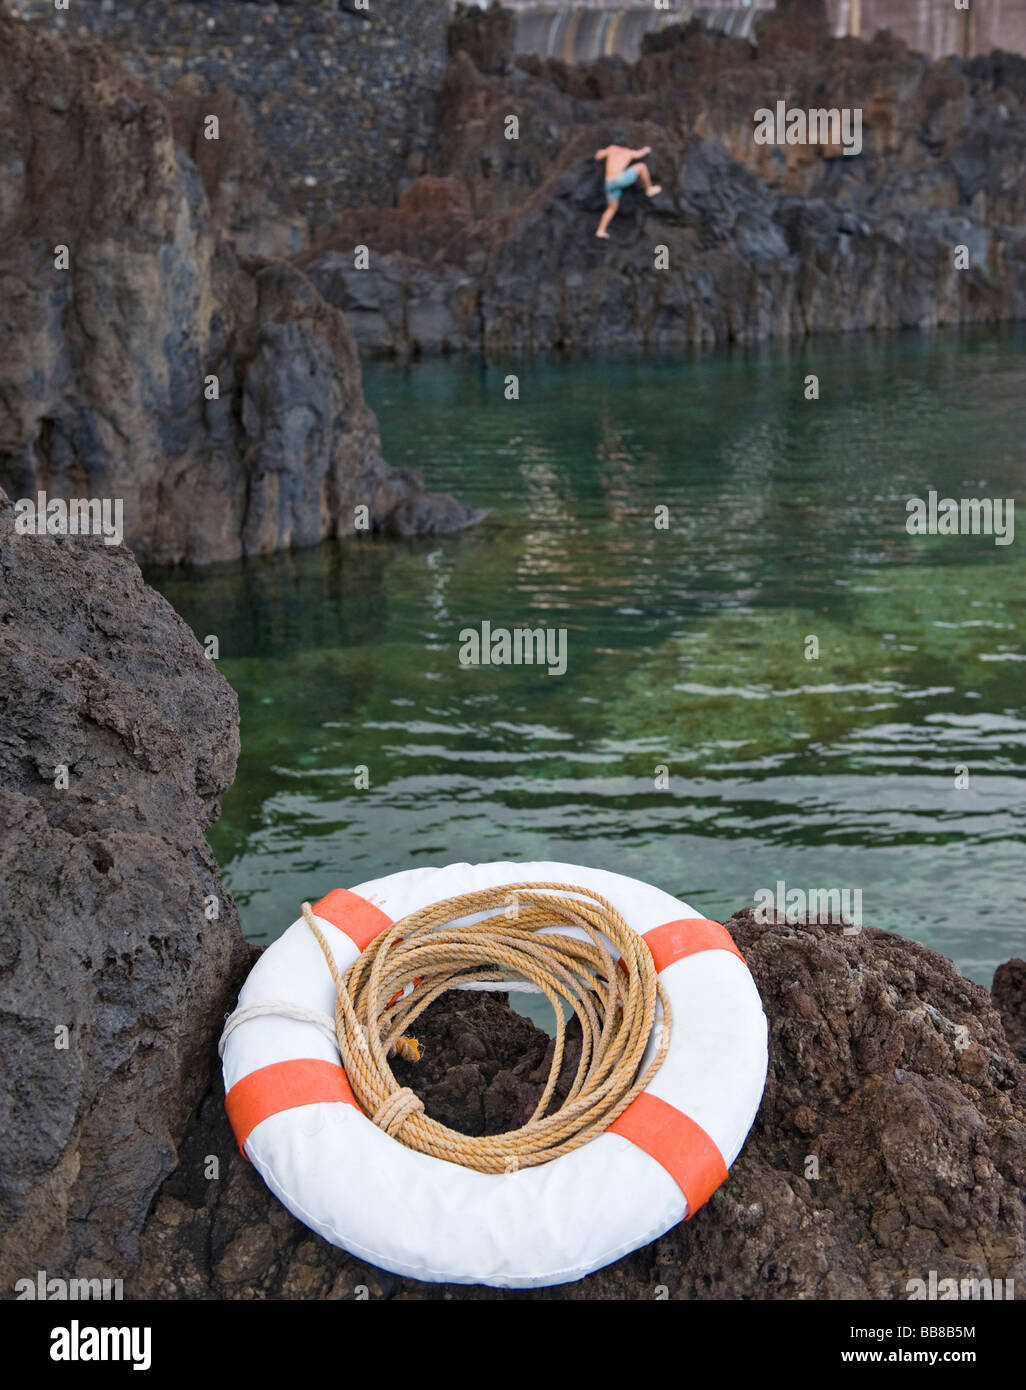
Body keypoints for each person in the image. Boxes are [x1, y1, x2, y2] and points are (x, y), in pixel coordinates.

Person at [594, 144, 662, 238]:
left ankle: (600, 230)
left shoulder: (612, 149)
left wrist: (600, 152)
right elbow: (640, 154)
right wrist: (646, 149)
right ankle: (649, 189)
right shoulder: (629, 153)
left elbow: (599, 156)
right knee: (641, 166)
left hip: (609, 183)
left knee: (612, 208)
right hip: (619, 180)